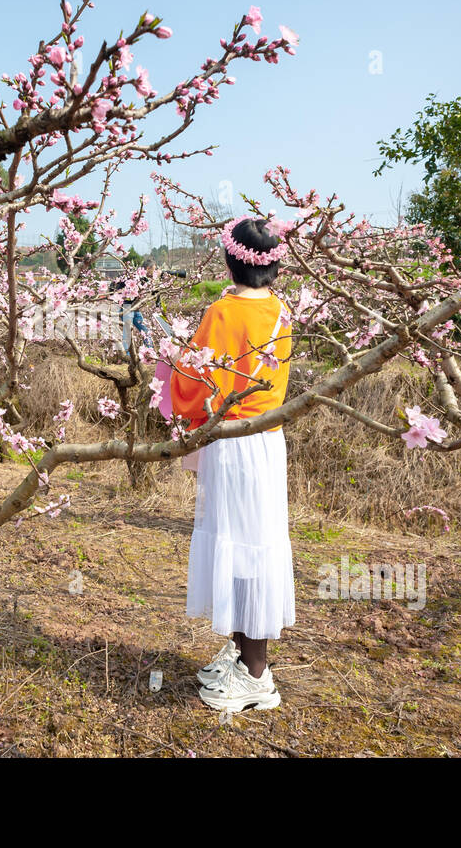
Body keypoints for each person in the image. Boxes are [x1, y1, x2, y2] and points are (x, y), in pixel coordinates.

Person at [169, 216, 295, 713]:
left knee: (243, 544)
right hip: (266, 439)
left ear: (229, 258)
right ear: (276, 267)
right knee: (255, 542)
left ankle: (257, 676)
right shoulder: (282, 311)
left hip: (234, 440)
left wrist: (172, 372)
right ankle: (246, 657)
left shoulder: (221, 312)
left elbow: (196, 382)